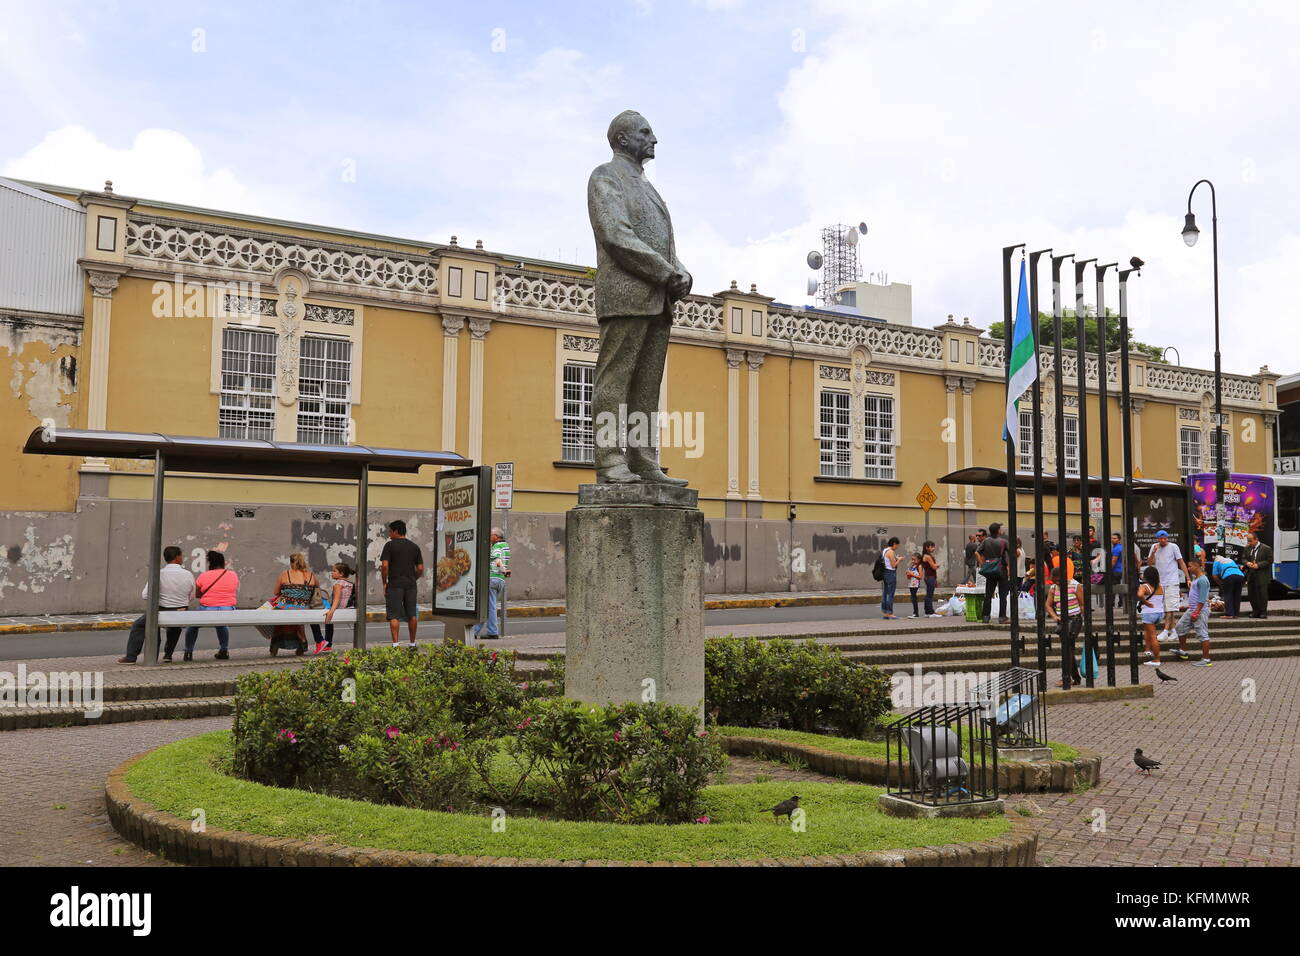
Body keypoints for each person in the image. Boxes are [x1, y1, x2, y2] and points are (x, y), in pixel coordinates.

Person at [118, 546, 195, 664]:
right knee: (175, 628)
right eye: (181, 555)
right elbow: (192, 595)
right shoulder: (188, 574)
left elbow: (145, 595)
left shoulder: (158, 574)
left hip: (161, 611)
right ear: (177, 557)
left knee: (139, 625)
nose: (182, 558)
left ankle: (132, 656)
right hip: (181, 611)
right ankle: (168, 655)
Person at [182, 550, 238, 661]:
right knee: (222, 624)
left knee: (192, 626)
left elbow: (198, 594)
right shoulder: (233, 575)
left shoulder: (203, 576)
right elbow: (233, 590)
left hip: (207, 609)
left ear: (210, 563)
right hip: (227, 609)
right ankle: (224, 650)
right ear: (223, 563)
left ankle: (188, 652)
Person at [381, 519, 424, 647]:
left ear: (396, 531)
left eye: (390, 531)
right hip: (410, 584)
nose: (389, 534)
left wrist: (385, 582)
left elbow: (384, 566)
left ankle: (396, 644)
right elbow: (420, 568)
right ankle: (412, 643)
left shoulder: (389, 545)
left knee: (394, 615)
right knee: (412, 614)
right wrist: (413, 578)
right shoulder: (414, 547)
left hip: (395, 584)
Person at [273, 552, 324, 655]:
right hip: (304, 607)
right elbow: (317, 587)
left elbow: (276, 592)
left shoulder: (285, 574)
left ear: (291, 563)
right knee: (296, 616)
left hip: (285, 606)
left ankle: (275, 646)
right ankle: (301, 641)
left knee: (275, 613)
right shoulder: (310, 575)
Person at [1147, 530, 1189, 644]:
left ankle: (1165, 631)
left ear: (1167, 538)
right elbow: (1149, 563)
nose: (1163, 540)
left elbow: (1181, 562)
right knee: (1167, 607)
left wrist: (1188, 578)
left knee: (1170, 607)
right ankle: (1174, 631)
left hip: (1172, 580)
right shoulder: (1154, 547)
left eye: (1164, 538)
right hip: (1160, 582)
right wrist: (1153, 552)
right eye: (1160, 538)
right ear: (1157, 539)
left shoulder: (1173, 546)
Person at [1045, 571, 1086, 687]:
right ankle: (1076, 678)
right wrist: (1054, 616)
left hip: (1075, 619)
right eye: (1055, 581)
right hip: (1062, 621)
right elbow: (1048, 604)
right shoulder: (1053, 588)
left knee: (1067, 647)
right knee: (1068, 648)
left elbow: (1082, 603)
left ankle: (1066, 677)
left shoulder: (1075, 585)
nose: (1057, 583)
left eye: (1059, 581)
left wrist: (1084, 618)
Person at [473, 527, 511, 639]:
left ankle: (493, 632)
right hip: (500, 580)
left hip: (493, 578)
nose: (489, 537)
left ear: (496, 536)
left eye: (491, 535)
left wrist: (504, 569)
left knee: (490, 606)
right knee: (486, 605)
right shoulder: (506, 546)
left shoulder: (497, 546)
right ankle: (474, 631)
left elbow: (497, 560)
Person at [1173, 557, 1212, 666]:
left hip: (1199, 611)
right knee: (1180, 626)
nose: (1188, 568)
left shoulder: (1203, 580)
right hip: (1192, 609)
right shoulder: (1196, 579)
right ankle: (1183, 651)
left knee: (1202, 634)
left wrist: (1197, 612)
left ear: (1196, 566)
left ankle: (1206, 659)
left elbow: (1202, 598)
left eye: (1190, 566)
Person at [317, 562, 355, 654]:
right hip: (348, 608)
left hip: (339, 609)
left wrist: (331, 611)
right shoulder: (350, 583)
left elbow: (337, 599)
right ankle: (328, 644)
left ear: (341, 573)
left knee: (323, 619)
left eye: (334, 571)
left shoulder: (338, 584)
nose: (332, 573)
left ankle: (325, 643)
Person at [978, 522, 1010, 624]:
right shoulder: (1004, 542)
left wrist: (983, 563)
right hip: (1001, 569)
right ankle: (1002, 617)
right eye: (1000, 529)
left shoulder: (986, 541)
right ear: (998, 531)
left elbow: (978, 551)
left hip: (990, 569)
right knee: (1002, 594)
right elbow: (1012, 553)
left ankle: (986, 616)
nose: (1001, 530)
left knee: (988, 594)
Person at [1136, 565, 1165, 666]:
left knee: (1153, 636)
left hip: (1149, 613)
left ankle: (1156, 659)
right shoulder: (1161, 587)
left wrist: (1145, 602)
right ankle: (1147, 649)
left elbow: (1139, 595)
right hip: (1160, 613)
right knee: (1149, 632)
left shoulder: (1145, 586)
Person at [1243, 531, 1273, 619]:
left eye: (1250, 541)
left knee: (1262, 594)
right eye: (1248, 540)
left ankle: (1263, 612)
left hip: (1262, 575)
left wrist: (1259, 565)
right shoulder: (1247, 548)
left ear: (1256, 540)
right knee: (1252, 594)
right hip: (1251, 574)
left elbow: (1270, 560)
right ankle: (1255, 611)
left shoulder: (1266, 548)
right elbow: (1243, 559)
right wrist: (1247, 563)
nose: (1249, 543)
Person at [1210, 550, 1245, 619]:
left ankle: (1229, 614)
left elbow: (1215, 576)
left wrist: (1220, 583)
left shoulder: (1216, 562)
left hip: (1229, 576)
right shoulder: (1229, 560)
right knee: (1237, 595)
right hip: (1240, 576)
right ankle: (1236, 614)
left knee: (1228, 594)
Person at [880, 536, 901, 619]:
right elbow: (893, 565)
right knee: (890, 594)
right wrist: (899, 560)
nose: (897, 547)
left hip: (885, 573)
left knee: (885, 593)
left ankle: (885, 612)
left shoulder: (884, 550)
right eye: (897, 545)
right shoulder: (891, 552)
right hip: (890, 573)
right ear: (894, 544)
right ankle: (890, 613)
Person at [921, 540, 941, 617]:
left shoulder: (925, 556)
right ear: (927, 548)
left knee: (928, 594)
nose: (933, 548)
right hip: (930, 577)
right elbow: (933, 566)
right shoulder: (928, 556)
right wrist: (937, 565)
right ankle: (930, 612)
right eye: (931, 547)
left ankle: (927, 611)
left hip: (928, 576)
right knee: (930, 595)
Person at [905, 553, 923, 618]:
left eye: (914, 560)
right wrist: (908, 574)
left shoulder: (919, 566)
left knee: (914, 598)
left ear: (919, 560)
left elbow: (920, 577)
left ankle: (916, 613)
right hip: (911, 583)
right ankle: (915, 612)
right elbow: (909, 577)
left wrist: (912, 574)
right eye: (912, 560)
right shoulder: (912, 566)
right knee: (913, 598)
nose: (913, 561)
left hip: (915, 584)